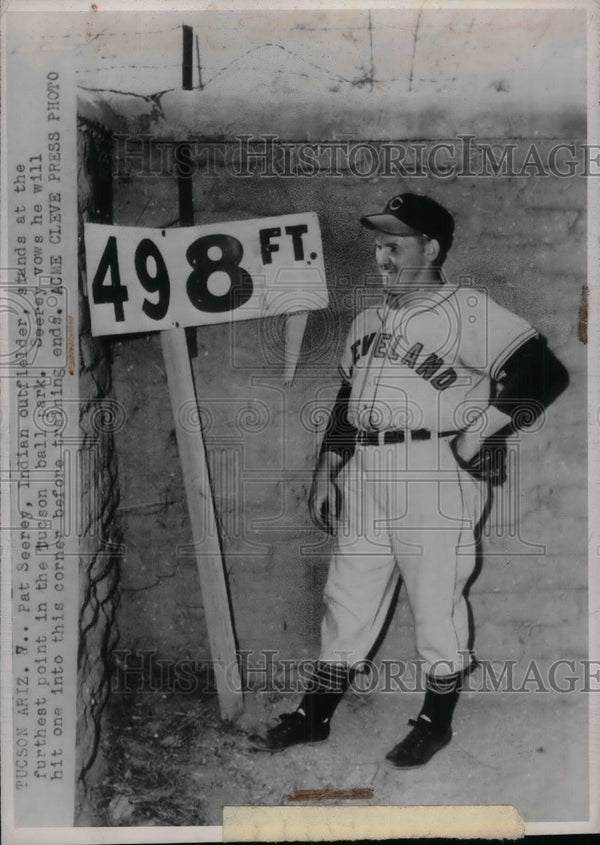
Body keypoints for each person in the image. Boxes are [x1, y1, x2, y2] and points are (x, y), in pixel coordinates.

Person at [254, 193, 569, 767]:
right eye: (378, 244)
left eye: (395, 244)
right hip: (370, 470)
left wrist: (480, 434)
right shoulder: (369, 318)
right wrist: (328, 464)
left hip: (434, 471)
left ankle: (435, 722)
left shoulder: (466, 309)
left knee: (435, 600)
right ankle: (315, 715)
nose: (383, 255)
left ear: (432, 246)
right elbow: (350, 397)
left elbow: (544, 372)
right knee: (347, 596)